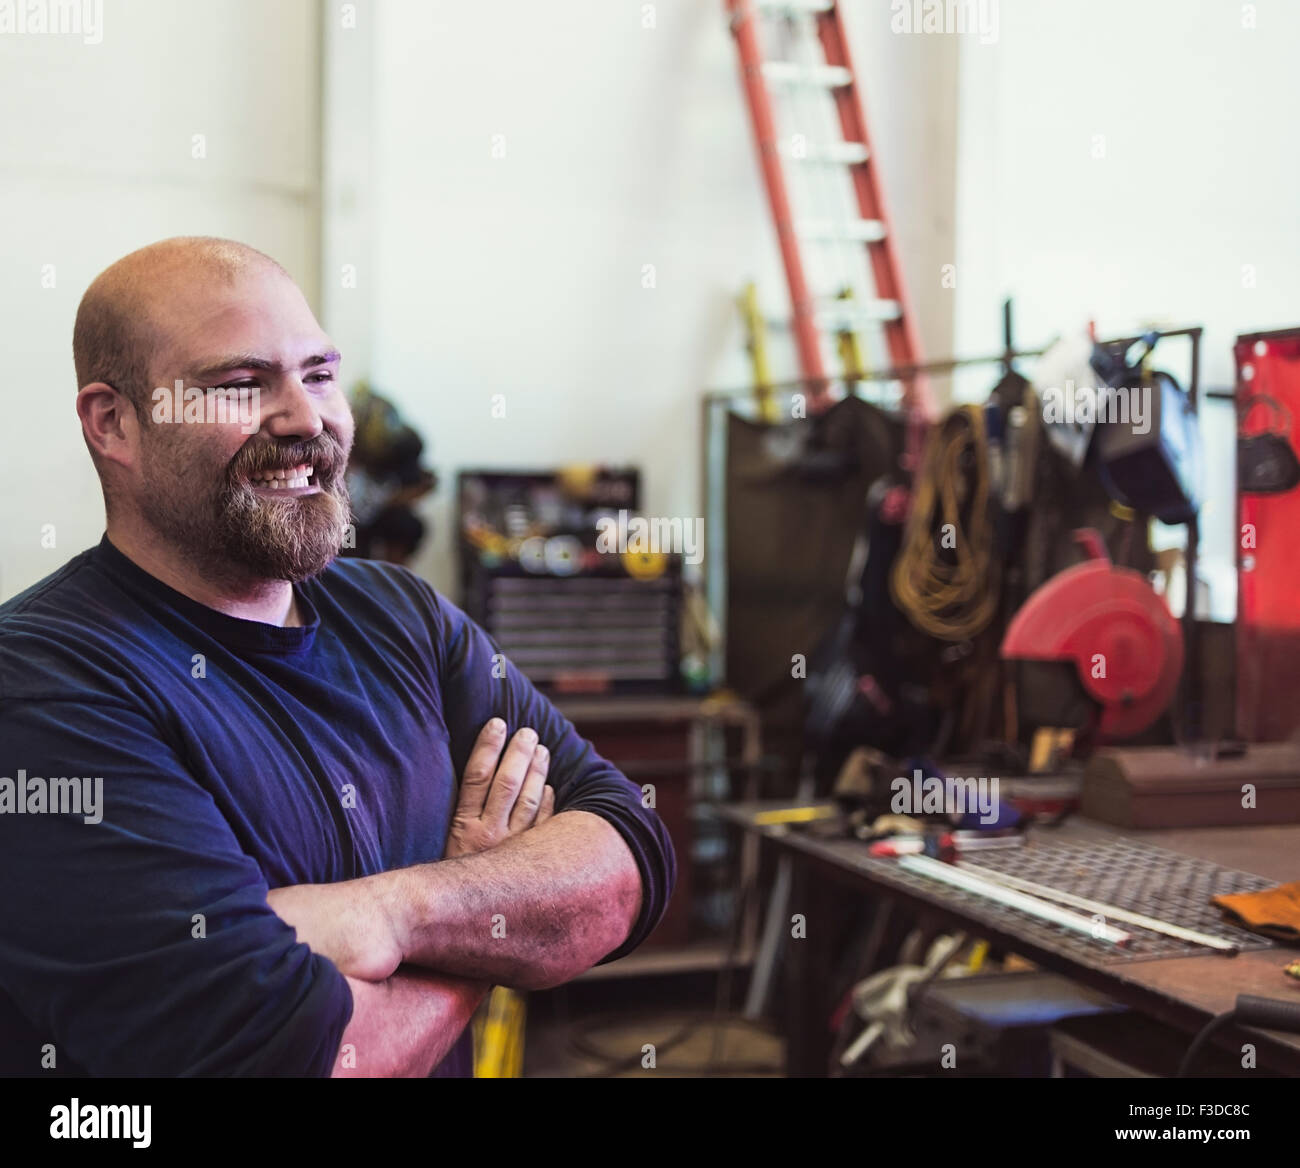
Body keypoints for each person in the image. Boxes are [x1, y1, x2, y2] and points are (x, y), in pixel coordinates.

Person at [0, 237, 675, 1077]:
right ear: (115, 423)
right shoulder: (45, 687)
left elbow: (631, 856)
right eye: (242, 385)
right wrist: (486, 914)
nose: (306, 419)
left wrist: (398, 911)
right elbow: (284, 1058)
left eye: (318, 374)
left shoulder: (401, 616)